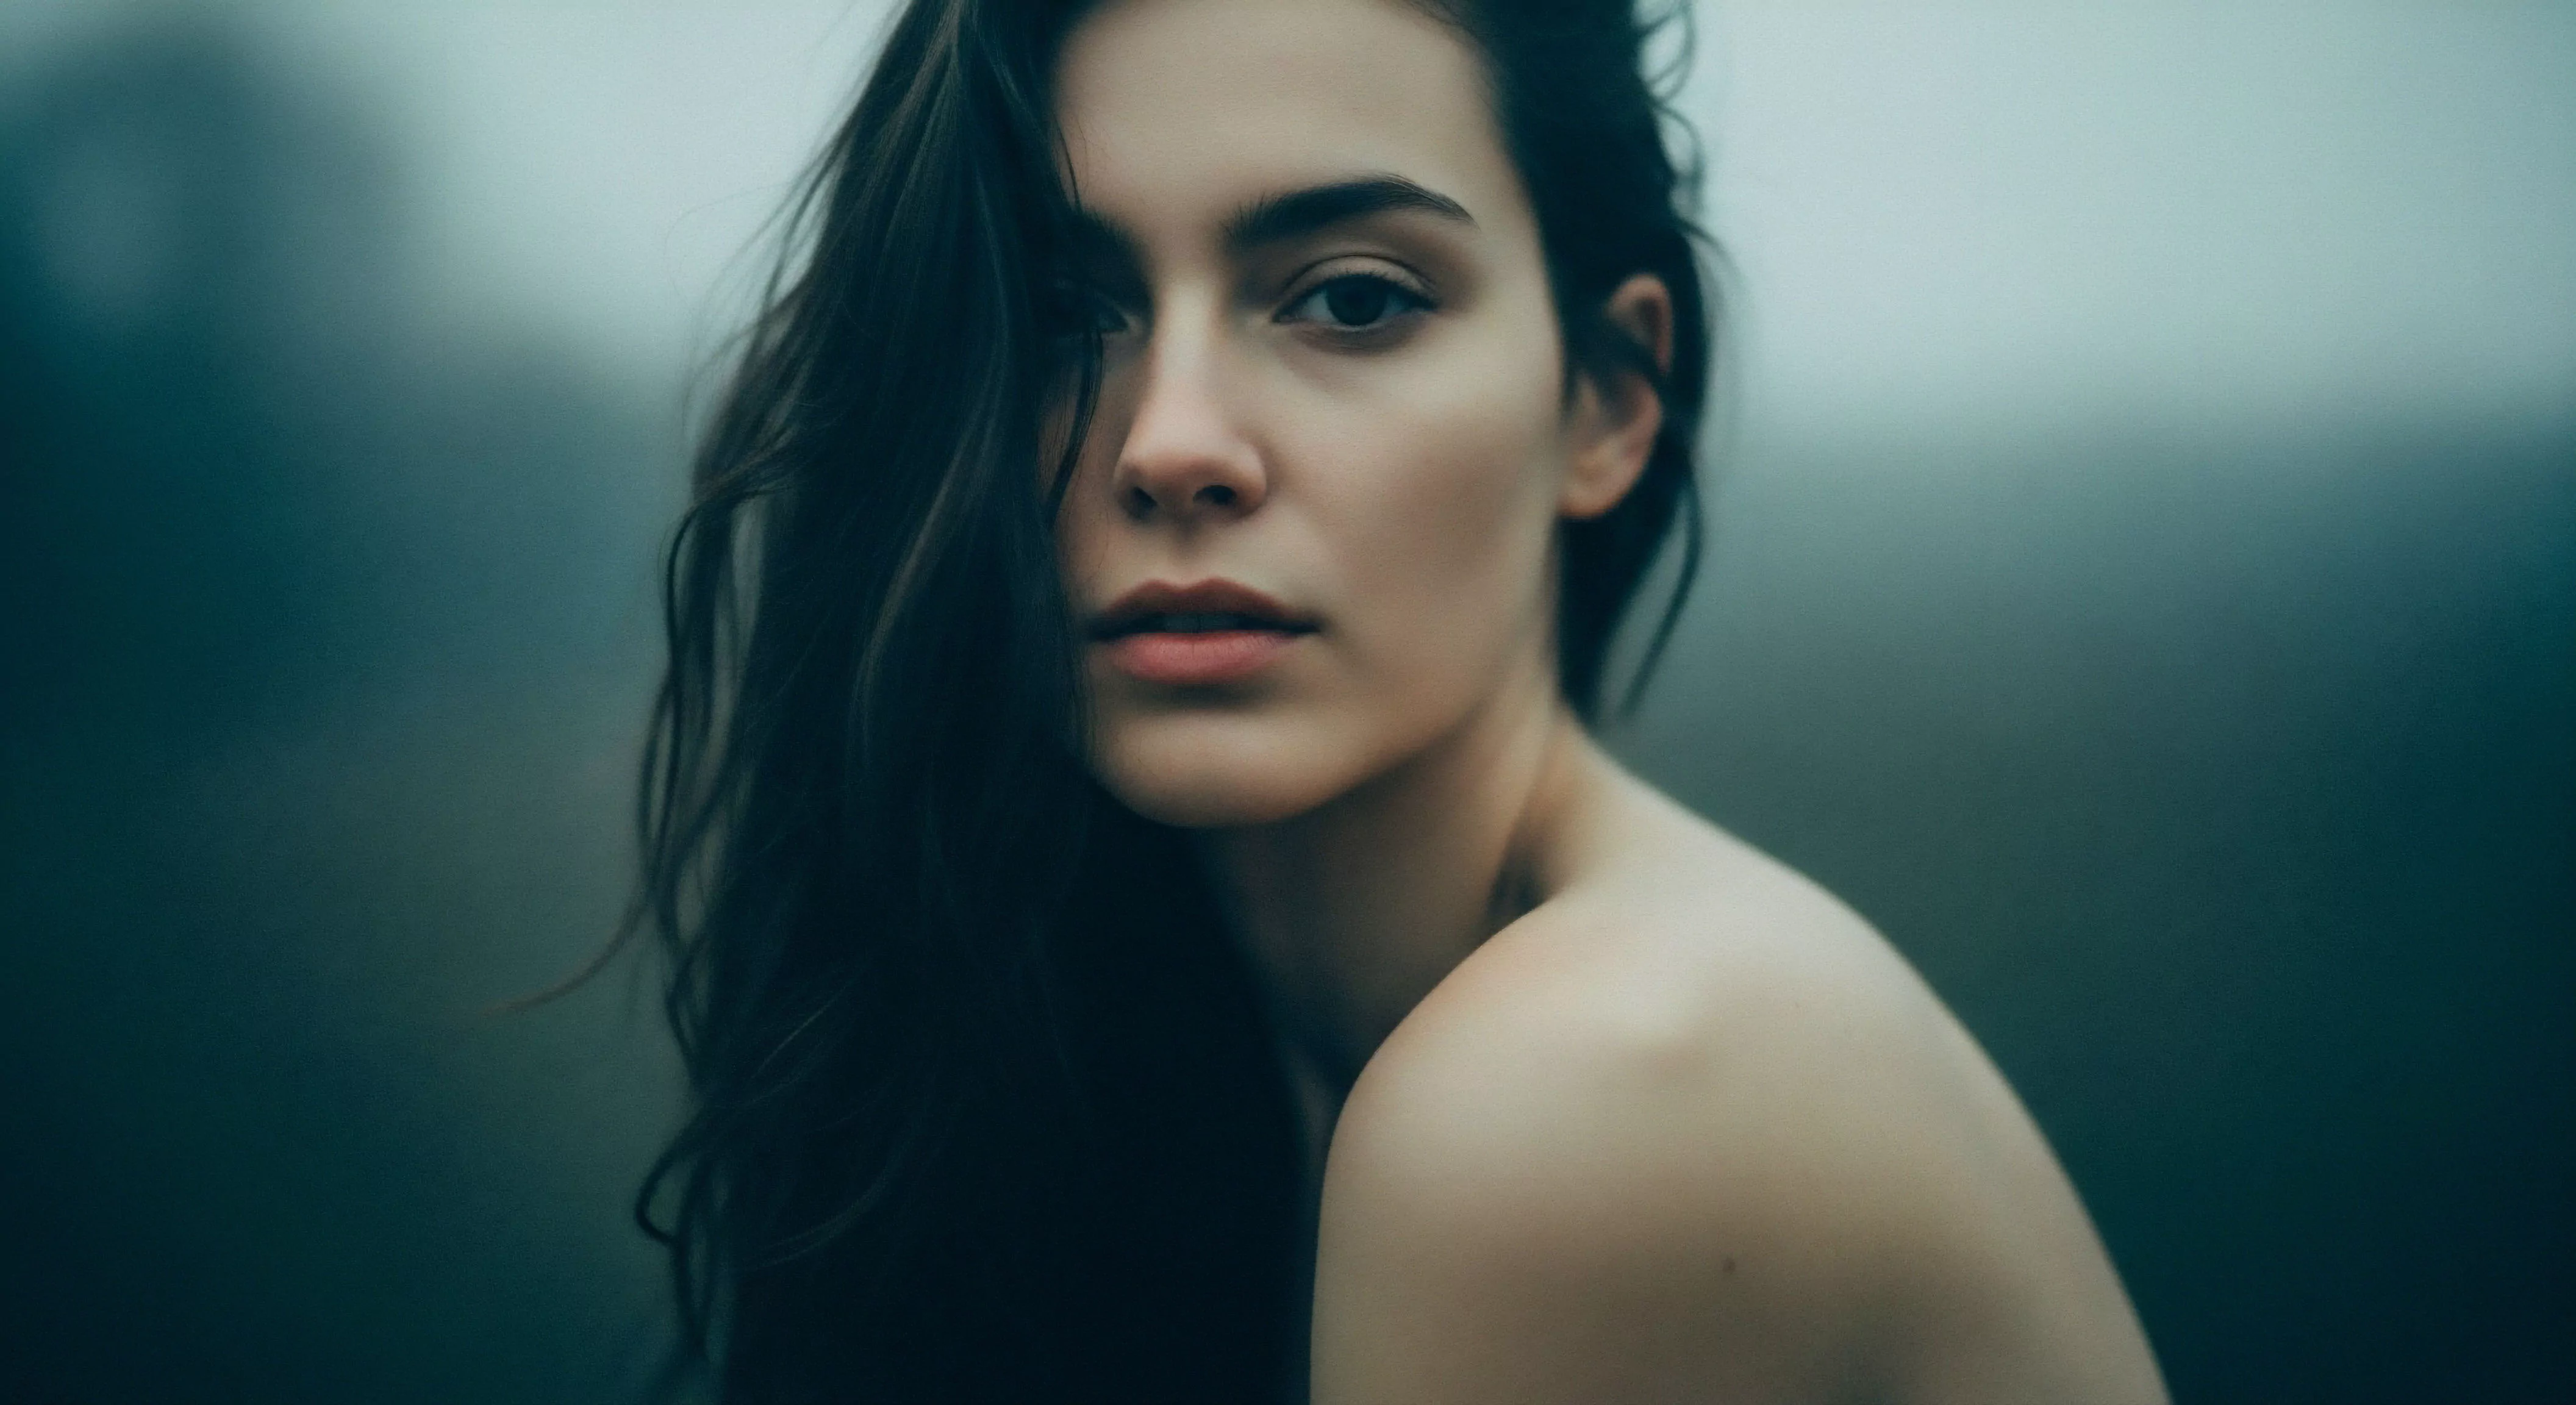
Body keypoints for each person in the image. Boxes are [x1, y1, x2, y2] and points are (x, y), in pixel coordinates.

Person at [627, 0, 2169, 1400]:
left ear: (1607, 403)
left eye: (1352, 302)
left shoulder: (1590, 1083)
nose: (1169, 445)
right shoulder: (1160, 1055)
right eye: (1058, 314)